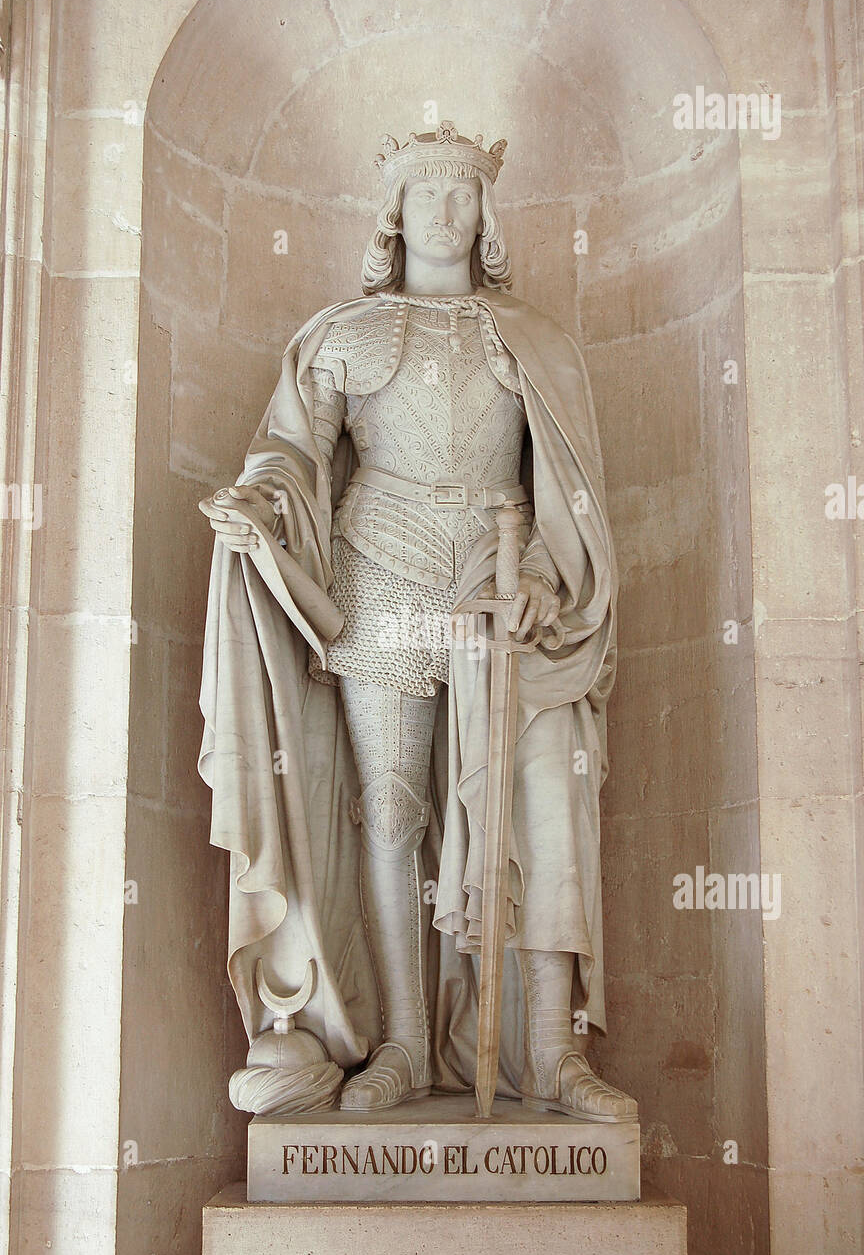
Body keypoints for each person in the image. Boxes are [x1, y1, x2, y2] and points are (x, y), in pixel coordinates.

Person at [198, 122, 636, 1122]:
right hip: (379, 564)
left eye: (462, 188)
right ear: (393, 211)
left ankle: (550, 1050)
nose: (444, 203)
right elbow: (291, 454)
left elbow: (568, 494)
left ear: (485, 211)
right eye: (424, 187)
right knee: (389, 808)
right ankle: (398, 1040)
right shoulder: (339, 333)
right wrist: (260, 508)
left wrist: (536, 571)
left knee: (543, 803)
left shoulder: (534, 339)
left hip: (500, 576)